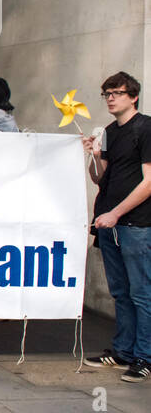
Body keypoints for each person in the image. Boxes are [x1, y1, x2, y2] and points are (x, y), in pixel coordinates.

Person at [81, 71, 151, 383]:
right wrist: (93, 156)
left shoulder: (146, 128)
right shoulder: (109, 131)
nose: (111, 98)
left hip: (136, 224)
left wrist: (116, 213)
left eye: (117, 92)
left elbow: (149, 182)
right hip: (110, 225)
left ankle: (145, 357)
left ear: (133, 96)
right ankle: (123, 350)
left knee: (141, 293)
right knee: (121, 292)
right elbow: (100, 177)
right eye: (107, 93)